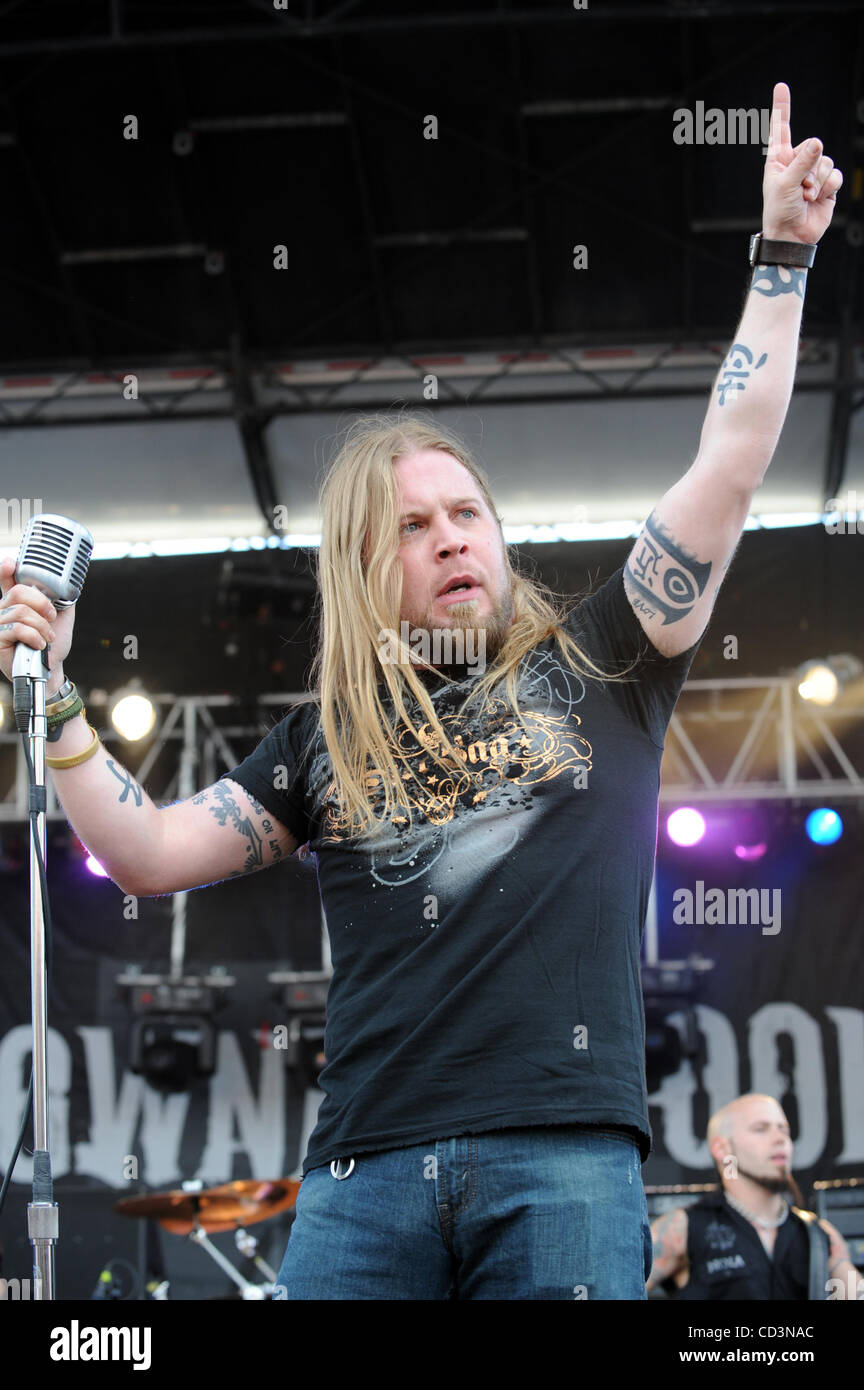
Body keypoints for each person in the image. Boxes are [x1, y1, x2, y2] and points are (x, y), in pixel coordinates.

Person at [0, 84, 843, 1300]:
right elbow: (142, 854)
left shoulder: (611, 652)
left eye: (468, 514)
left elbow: (734, 453)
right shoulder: (325, 738)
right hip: (363, 1171)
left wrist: (778, 255)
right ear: (364, 566)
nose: (452, 538)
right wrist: (63, 700)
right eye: (413, 525)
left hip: (559, 1157)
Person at [646, 1094, 862, 1300]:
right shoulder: (681, 1228)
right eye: (761, 1129)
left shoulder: (818, 1234)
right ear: (722, 1148)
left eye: (784, 1130)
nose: (781, 1139)